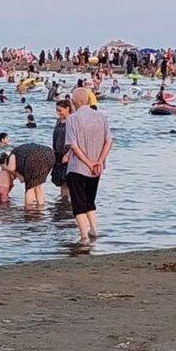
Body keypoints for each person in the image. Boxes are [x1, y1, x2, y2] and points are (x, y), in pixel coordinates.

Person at [64, 87, 113, 245]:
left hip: (78, 167)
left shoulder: (72, 118)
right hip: (97, 168)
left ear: (74, 102)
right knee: (90, 200)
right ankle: (94, 229)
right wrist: (99, 161)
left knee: (78, 202)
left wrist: (88, 162)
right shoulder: (101, 116)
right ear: (88, 100)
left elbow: (73, 145)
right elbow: (109, 141)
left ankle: (84, 235)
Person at [6, 143, 56, 208]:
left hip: (34, 157)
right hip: (50, 155)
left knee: (30, 188)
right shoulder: (20, 153)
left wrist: (4, 166)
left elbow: (11, 168)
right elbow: (21, 178)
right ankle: (40, 209)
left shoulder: (13, 153)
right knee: (38, 186)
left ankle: (29, 212)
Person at [50, 98, 71, 197]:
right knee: (61, 182)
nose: (58, 113)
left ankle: (68, 204)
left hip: (68, 154)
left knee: (68, 181)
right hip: (58, 153)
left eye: (60, 110)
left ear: (67, 108)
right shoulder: (58, 121)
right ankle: (63, 203)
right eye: (57, 111)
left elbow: (76, 140)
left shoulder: (72, 121)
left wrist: (68, 154)